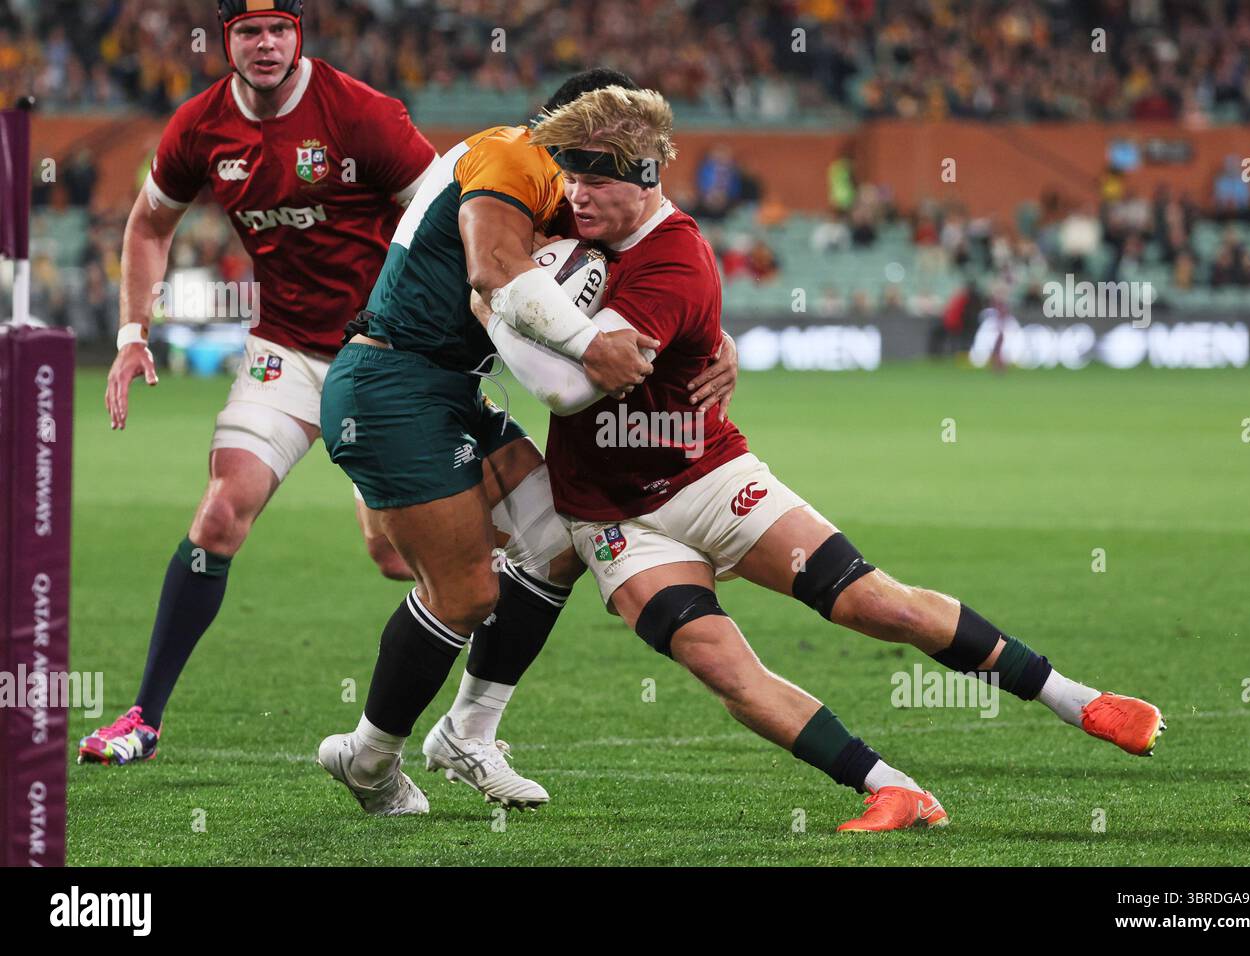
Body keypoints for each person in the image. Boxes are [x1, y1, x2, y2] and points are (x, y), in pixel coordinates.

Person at [473, 86, 1167, 832]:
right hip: (609, 513)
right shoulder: (572, 220)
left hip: (705, 475)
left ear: (646, 179)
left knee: (879, 604)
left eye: (596, 183)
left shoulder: (674, 258)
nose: (576, 197)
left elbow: (573, 391)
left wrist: (496, 304)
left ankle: (1079, 698)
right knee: (724, 669)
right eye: (570, 180)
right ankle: (891, 788)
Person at [312, 71, 741, 816]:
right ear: (579, 123)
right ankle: (371, 759)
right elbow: (493, 271)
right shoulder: (513, 152)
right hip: (393, 383)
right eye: (614, 133)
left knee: (556, 540)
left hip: (449, 389)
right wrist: (587, 344)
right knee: (468, 593)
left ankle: (468, 734)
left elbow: (641, 269)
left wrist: (714, 335)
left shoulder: (571, 187)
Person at [81, 0, 440, 766]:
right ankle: (144, 718)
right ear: (226, 41)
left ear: (299, 34)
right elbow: (148, 224)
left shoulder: (362, 114)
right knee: (218, 517)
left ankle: (502, 607)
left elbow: (442, 217)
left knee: (388, 553)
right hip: (283, 349)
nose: (267, 44)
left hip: (380, 354)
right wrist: (131, 334)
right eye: (249, 32)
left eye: (280, 29)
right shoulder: (200, 127)